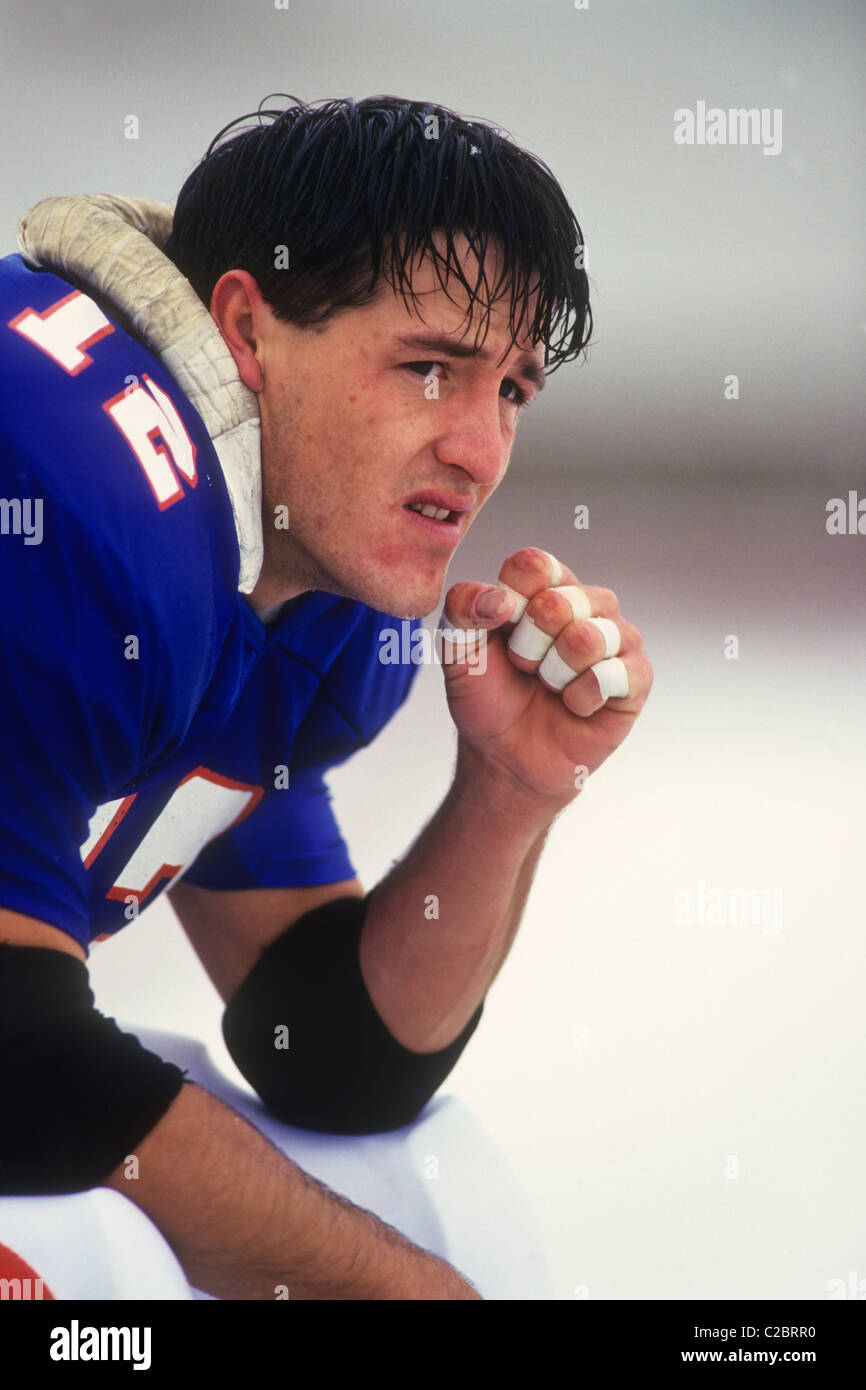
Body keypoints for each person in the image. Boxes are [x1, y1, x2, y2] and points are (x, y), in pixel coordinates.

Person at [0, 95, 652, 1299]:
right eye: (428, 369)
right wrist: (389, 1289)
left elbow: (324, 1051)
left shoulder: (287, 564)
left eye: (508, 388)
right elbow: (14, 1054)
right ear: (246, 327)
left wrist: (509, 791)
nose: (478, 451)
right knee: (76, 1260)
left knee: (424, 1181)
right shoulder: (64, 480)